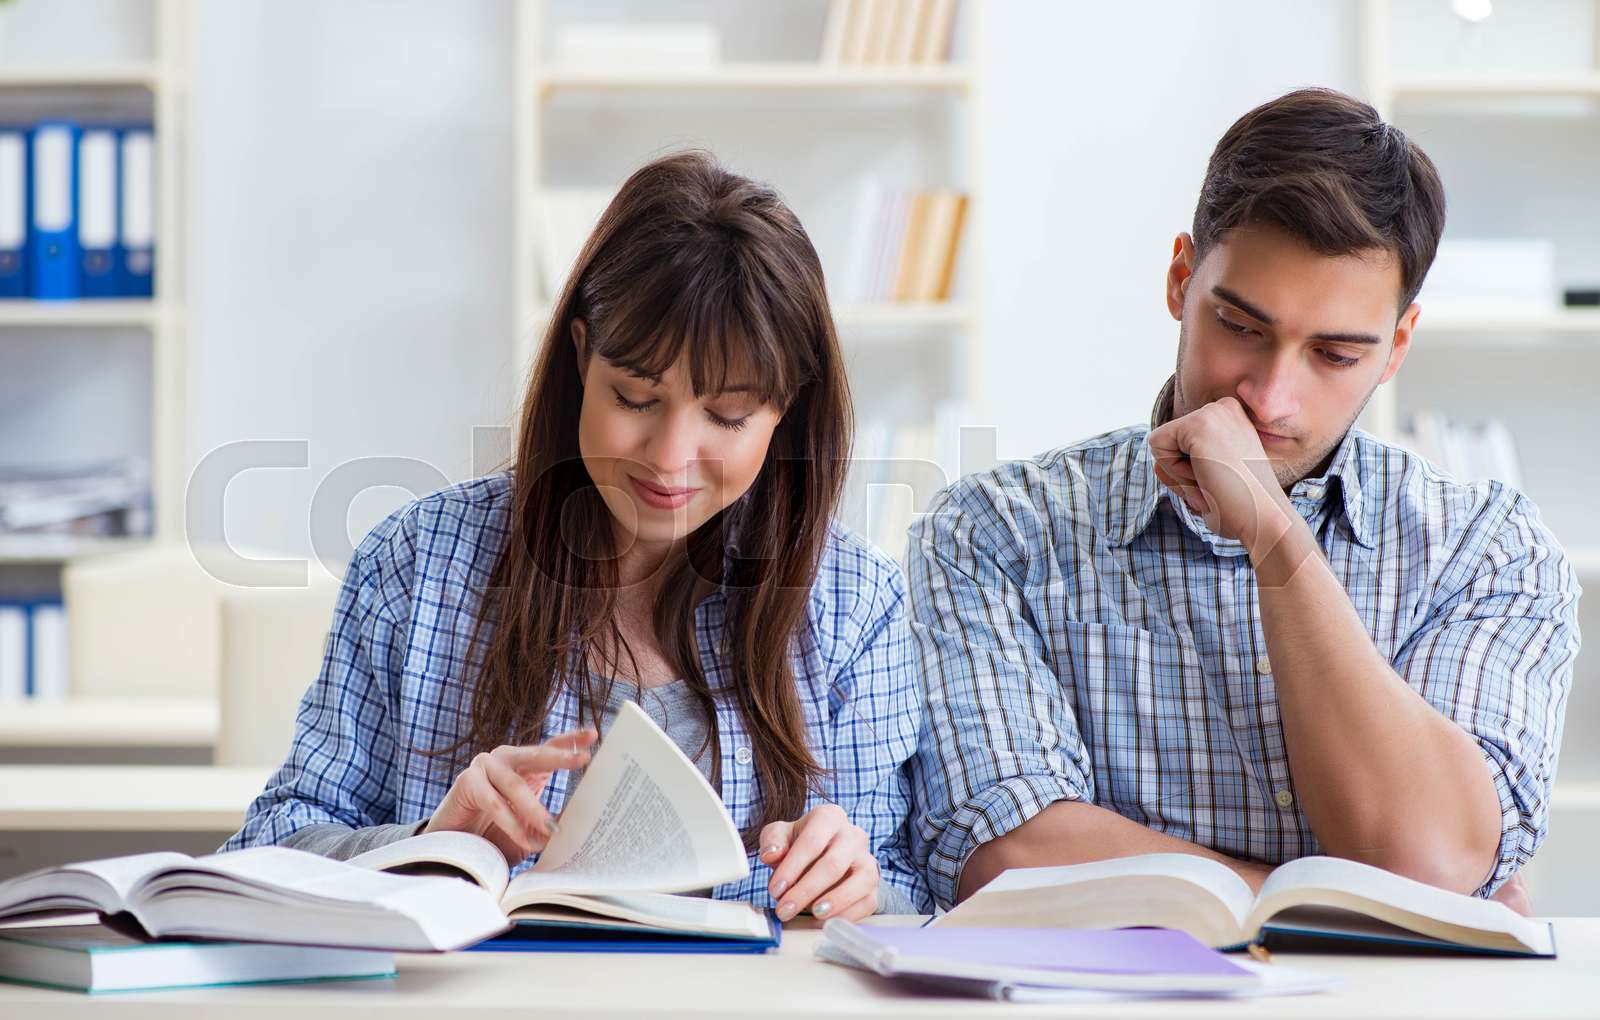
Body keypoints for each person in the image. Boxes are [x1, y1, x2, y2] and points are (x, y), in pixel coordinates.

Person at [907, 88, 1580, 913]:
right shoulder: (995, 530)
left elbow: (1426, 855)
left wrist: (1276, 538)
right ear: (1182, 279)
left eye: (1333, 355)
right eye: (1241, 326)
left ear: (1396, 347)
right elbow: (1009, 857)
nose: (1270, 397)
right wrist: (1359, 910)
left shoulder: (1486, 549)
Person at [225, 150, 930, 920]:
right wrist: (425, 846)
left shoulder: (855, 601)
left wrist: (859, 884)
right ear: (580, 355)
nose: (668, 459)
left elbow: (910, 888)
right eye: (635, 397)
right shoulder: (417, 564)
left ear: (785, 409)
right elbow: (268, 847)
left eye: (727, 416)